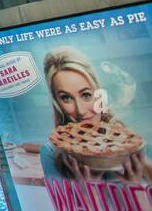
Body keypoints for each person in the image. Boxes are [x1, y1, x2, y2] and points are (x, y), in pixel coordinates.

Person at [40, 47, 152, 182]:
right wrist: (90, 188)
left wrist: (134, 187)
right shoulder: (51, 152)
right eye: (66, 98)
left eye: (86, 95)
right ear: (57, 102)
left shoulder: (133, 144)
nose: (80, 111)